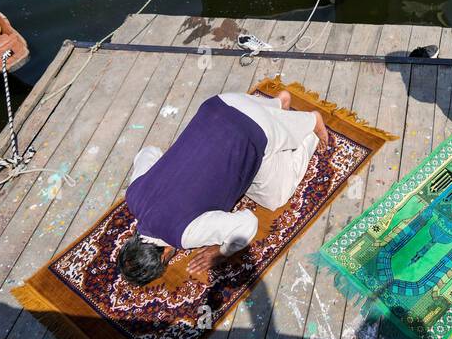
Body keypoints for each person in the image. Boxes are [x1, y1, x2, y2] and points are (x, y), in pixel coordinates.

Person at [116, 89, 326, 286]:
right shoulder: (133, 195)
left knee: (275, 197)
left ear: (163, 257)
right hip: (219, 104)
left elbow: (247, 224)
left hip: (254, 129)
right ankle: (278, 104)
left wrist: (221, 251)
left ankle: (309, 127)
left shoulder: (183, 234)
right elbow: (148, 152)